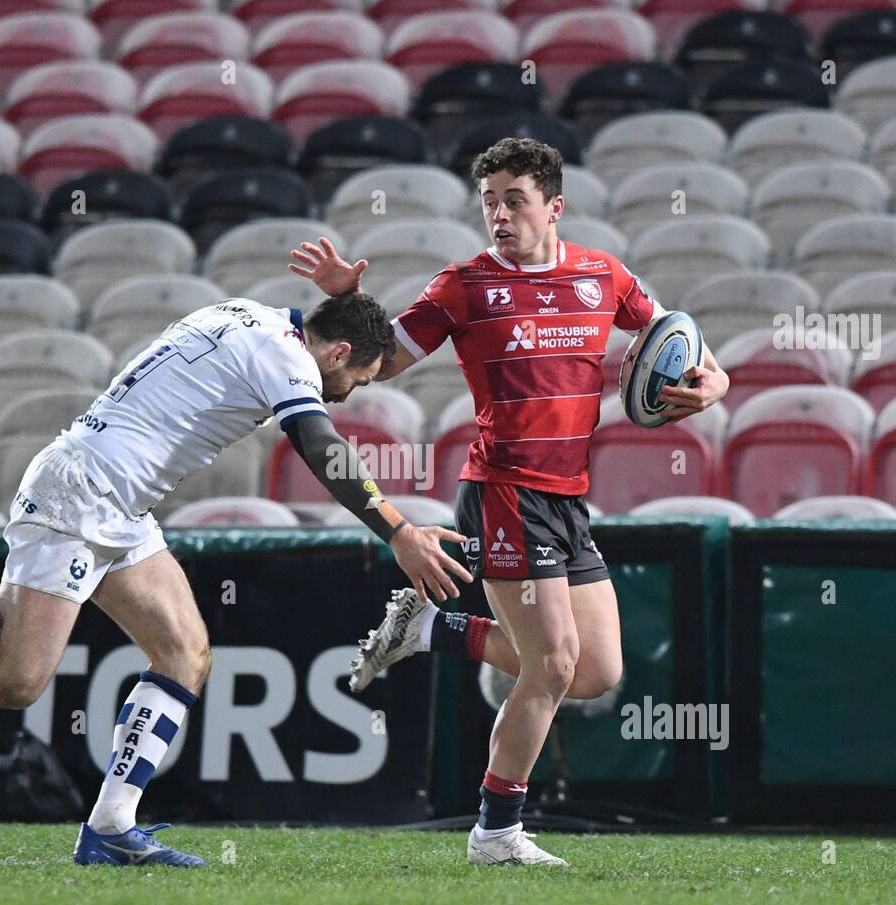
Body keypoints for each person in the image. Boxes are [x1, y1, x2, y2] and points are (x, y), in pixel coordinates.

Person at [0, 293, 472, 867]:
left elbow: (318, 338)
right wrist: (399, 531)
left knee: (185, 653)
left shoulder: (246, 314)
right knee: (10, 683)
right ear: (339, 353)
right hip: (82, 491)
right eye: (359, 378)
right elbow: (323, 449)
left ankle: (110, 827)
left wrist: (347, 297)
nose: (353, 393)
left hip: (119, 500)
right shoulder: (292, 361)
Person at [290, 138, 730, 866]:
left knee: (596, 674)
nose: (498, 214)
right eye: (489, 200)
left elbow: (690, 351)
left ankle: (432, 629)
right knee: (553, 664)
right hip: (501, 491)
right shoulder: (463, 286)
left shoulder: (603, 276)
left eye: (514, 199)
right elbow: (373, 364)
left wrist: (709, 388)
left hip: (568, 500)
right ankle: (496, 833)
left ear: (554, 206)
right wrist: (343, 301)